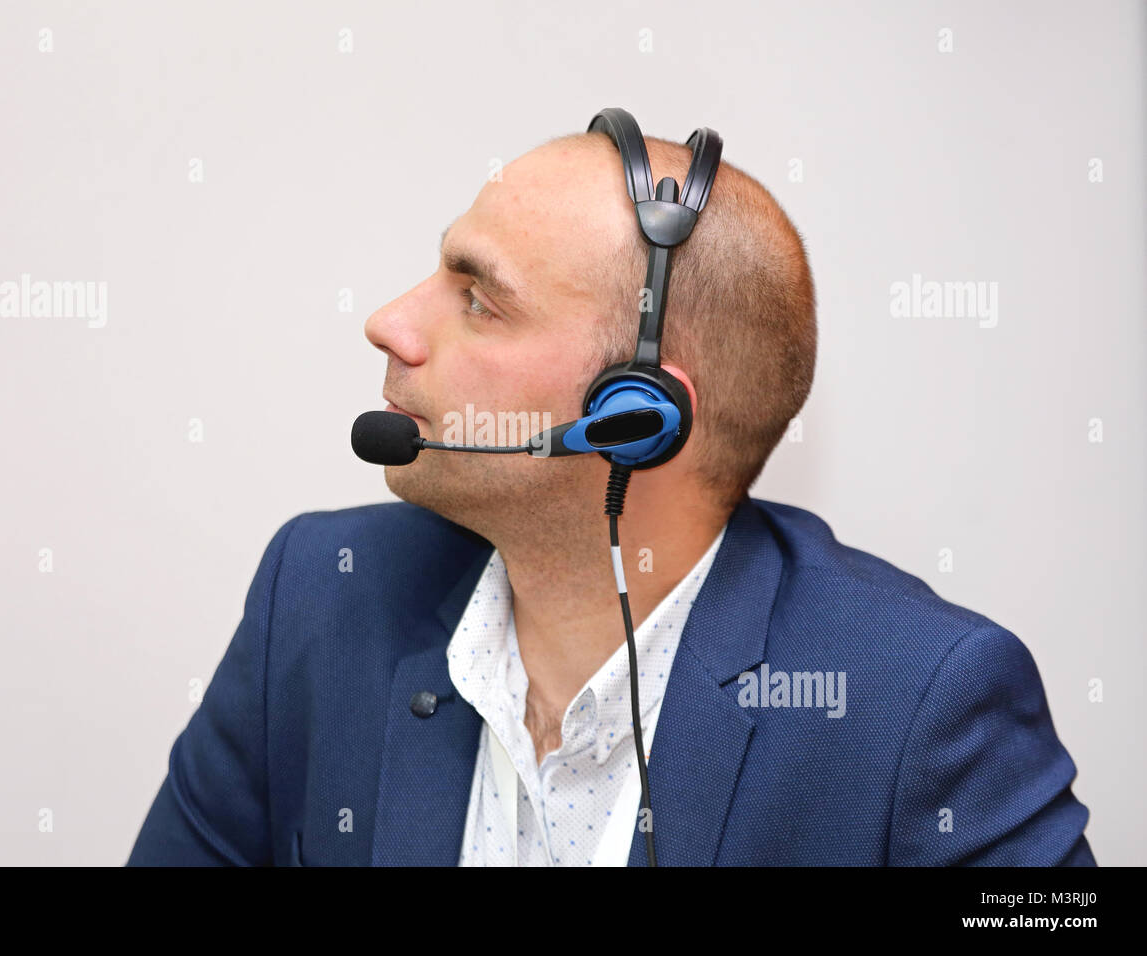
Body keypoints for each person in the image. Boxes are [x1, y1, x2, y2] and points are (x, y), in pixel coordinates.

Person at [127, 120, 1094, 866]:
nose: (390, 324)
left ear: (636, 419)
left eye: (477, 298)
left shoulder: (919, 703)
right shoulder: (319, 594)